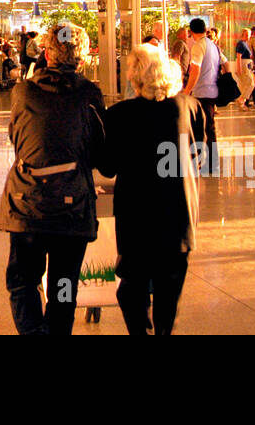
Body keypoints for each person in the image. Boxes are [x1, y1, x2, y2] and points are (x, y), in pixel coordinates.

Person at [0, 21, 106, 336]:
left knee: (22, 282)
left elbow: (17, 139)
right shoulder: (89, 94)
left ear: (46, 54)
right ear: (82, 59)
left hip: (27, 202)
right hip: (72, 205)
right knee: (63, 285)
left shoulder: (23, 92)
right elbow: (100, 151)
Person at [99, 44, 198, 335]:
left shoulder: (120, 114)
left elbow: (108, 167)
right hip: (179, 215)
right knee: (169, 292)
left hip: (137, 217)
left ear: (135, 76)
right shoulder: (190, 107)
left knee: (132, 289)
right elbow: (201, 155)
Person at [182, 17, 223, 171]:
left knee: (199, 129)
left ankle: (201, 161)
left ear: (191, 31)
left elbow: (195, 70)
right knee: (209, 128)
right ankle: (212, 162)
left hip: (201, 93)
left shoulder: (198, 46)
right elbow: (225, 64)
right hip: (213, 92)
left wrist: (187, 91)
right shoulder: (213, 45)